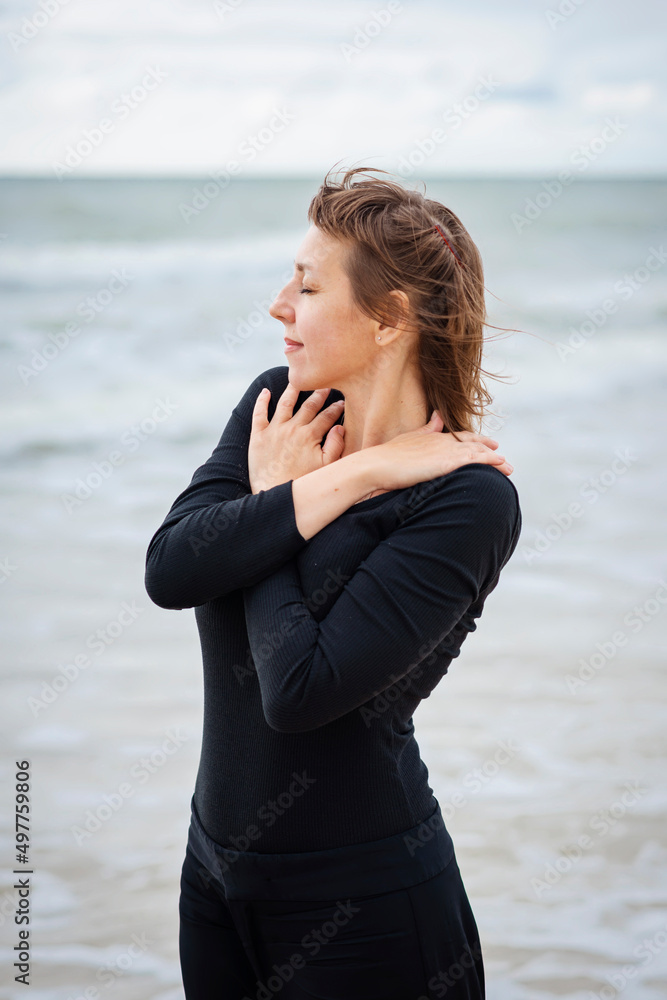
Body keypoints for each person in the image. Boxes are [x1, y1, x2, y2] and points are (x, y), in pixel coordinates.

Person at [145, 166, 521, 1000]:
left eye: (308, 286)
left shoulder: (465, 498)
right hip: (213, 876)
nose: (280, 304)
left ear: (388, 318)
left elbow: (299, 688)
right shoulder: (279, 406)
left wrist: (277, 500)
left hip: (364, 908)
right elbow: (171, 570)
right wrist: (347, 478)